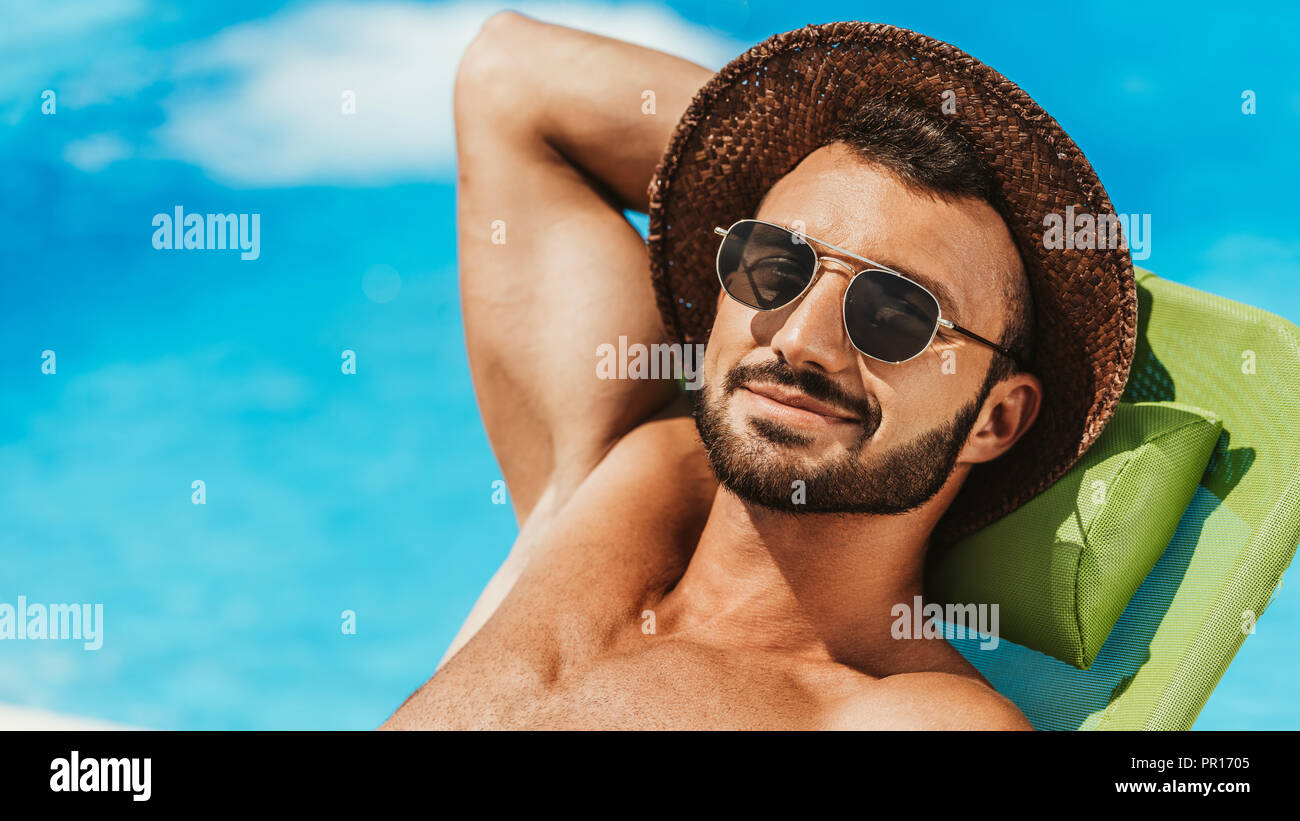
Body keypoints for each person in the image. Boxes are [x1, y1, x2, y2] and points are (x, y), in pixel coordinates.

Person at [382, 12, 1137, 730]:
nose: (804, 340)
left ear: (994, 418)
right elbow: (509, 74)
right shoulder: (611, 489)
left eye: (896, 311)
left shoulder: (901, 716)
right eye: (775, 265)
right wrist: (810, 151)